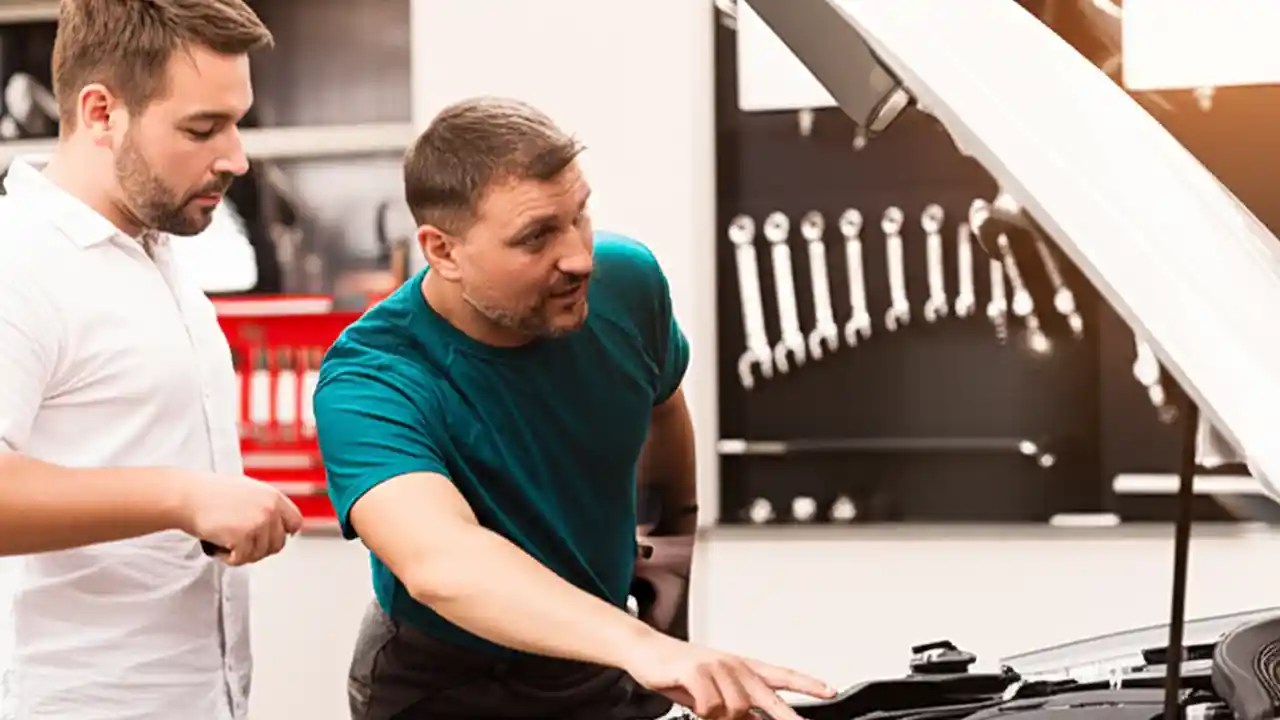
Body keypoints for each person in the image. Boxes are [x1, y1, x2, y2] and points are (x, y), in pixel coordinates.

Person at [313, 96, 838, 720]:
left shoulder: (628, 282)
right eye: (537, 236)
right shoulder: (373, 379)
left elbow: (662, 417)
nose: (578, 257)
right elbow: (440, 561)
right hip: (446, 683)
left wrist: (662, 596)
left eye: (579, 215)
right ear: (443, 251)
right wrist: (641, 645)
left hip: (598, 661)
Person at [0, 1, 304, 718]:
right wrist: (184, 496)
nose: (237, 157)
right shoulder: (19, 264)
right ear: (101, 113)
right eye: (202, 129)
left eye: (237, 121)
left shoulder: (154, 252)